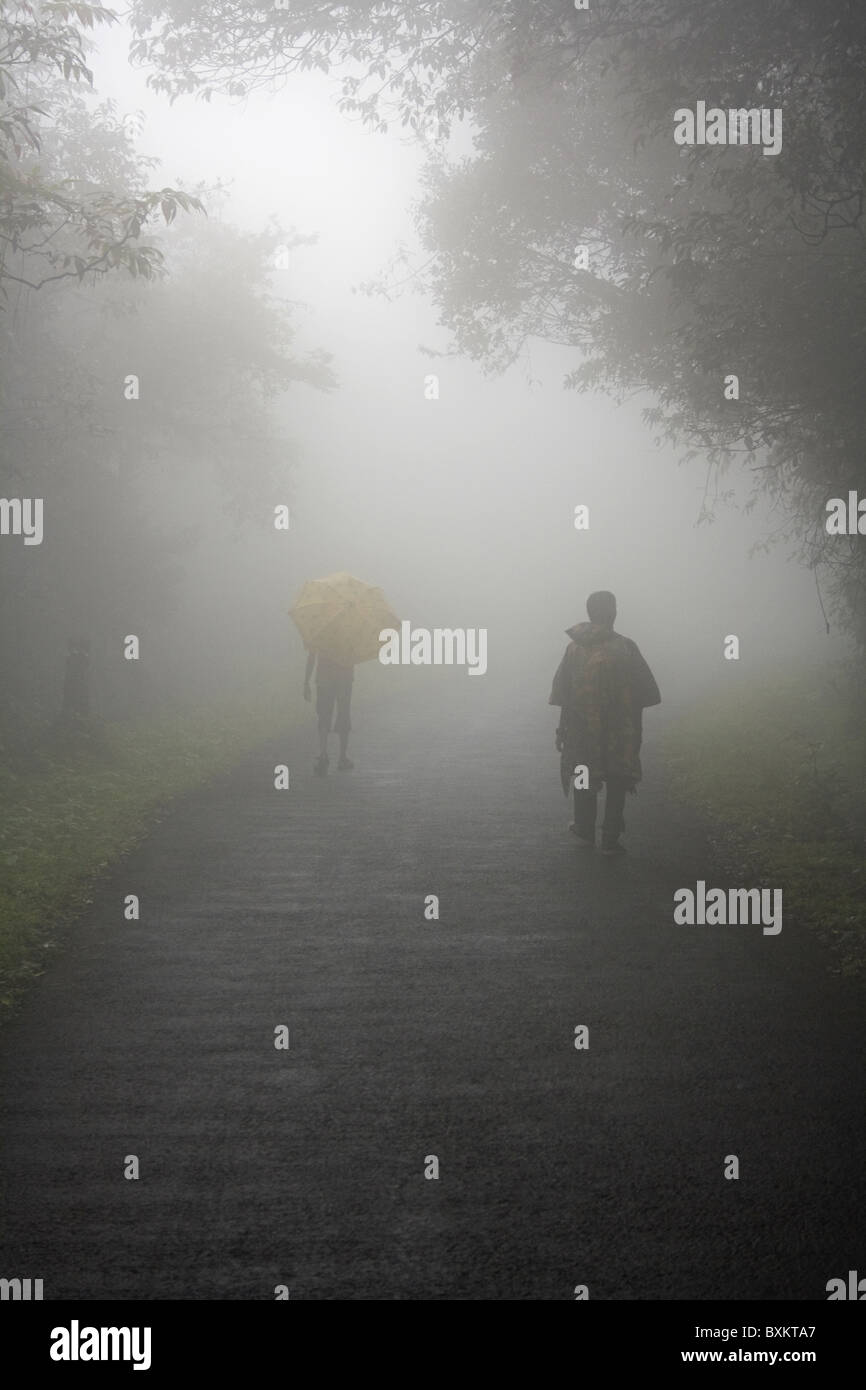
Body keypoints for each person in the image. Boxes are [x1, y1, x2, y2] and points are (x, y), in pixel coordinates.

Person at [548, 591, 660, 854]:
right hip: (621, 729)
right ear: (614, 613)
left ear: (589, 613)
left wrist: (562, 727)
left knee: (584, 773)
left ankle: (584, 828)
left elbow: (563, 692)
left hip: (581, 728)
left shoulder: (574, 648)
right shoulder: (626, 648)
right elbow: (649, 693)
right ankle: (611, 836)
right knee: (618, 777)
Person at [304, 649, 355, 775]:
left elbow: (312, 655)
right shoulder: (350, 631)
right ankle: (342, 757)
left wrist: (306, 681)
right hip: (344, 676)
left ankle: (323, 755)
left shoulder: (320, 631)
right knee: (344, 714)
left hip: (324, 676)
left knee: (324, 715)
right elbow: (355, 652)